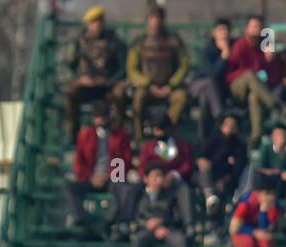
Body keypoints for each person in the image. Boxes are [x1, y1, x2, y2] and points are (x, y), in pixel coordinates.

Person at [63, 6, 127, 143]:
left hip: (107, 85)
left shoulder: (114, 42)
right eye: (93, 23)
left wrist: (108, 81)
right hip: (86, 86)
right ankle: (72, 133)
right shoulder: (79, 42)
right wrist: (80, 79)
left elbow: (122, 68)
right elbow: (70, 65)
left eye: (99, 22)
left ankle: (118, 136)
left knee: (120, 94)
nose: (96, 26)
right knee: (71, 93)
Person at [66, 105, 133, 232]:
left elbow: (125, 161)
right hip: (90, 178)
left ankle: (109, 222)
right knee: (70, 187)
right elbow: (79, 161)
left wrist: (109, 176)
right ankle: (82, 220)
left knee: (123, 188)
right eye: (97, 117)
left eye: (102, 117)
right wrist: (90, 177)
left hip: (112, 178)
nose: (100, 120)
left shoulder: (120, 136)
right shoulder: (85, 135)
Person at [127, 5, 191, 135]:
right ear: (148, 20)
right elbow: (131, 68)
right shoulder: (140, 42)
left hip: (170, 87)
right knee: (138, 99)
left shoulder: (174, 40)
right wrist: (147, 84)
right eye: (152, 18)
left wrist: (172, 84)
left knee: (181, 98)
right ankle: (139, 139)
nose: (155, 22)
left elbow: (184, 64)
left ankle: (166, 133)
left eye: (158, 18)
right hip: (147, 87)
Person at [226, 15, 281, 147]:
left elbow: (271, 76)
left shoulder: (265, 47)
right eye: (253, 26)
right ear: (247, 28)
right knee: (250, 75)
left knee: (254, 97)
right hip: (237, 87)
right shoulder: (240, 46)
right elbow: (229, 71)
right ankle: (275, 105)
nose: (256, 30)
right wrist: (249, 74)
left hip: (257, 89)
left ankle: (256, 136)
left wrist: (270, 60)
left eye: (258, 27)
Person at [136, 114, 194, 230]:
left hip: (173, 181)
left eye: (163, 129)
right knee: (133, 189)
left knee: (185, 190)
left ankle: (188, 225)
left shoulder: (182, 146)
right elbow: (141, 167)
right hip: (152, 181)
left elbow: (188, 164)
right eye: (157, 129)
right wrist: (151, 180)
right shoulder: (148, 147)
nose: (160, 133)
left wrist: (174, 174)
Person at [197, 112, 249, 237]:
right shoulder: (212, 140)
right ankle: (210, 195)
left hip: (227, 181)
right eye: (227, 124)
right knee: (204, 170)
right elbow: (201, 157)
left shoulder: (240, 146)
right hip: (206, 179)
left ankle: (216, 230)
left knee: (220, 197)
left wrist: (225, 180)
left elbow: (238, 169)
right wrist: (201, 160)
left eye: (233, 125)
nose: (229, 127)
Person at [130, 166, 190, 247]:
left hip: (166, 230)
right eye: (155, 176)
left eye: (161, 176)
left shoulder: (170, 196)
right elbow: (134, 215)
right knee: (137, 240)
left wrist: (161, 222)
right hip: (145, 230)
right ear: (146, 179)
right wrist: (146, 224)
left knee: (180, 241)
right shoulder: (139, 195)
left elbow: (177, 216)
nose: (158, 179)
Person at [190, 19, 235, 141]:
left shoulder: (235, 48)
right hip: (198, 85)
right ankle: (221, 117)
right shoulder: (207, 50)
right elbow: (212, 74)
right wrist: (224, 56)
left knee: (206, 100)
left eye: (225, 30)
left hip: (215, 91)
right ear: (214, 33)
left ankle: (204, 138)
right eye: (220, 30)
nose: (223, 34)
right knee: (209, 84)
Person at [229, 178, 280, 247]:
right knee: (248, 243)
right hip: (242, 235)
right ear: (258, 193)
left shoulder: (270, 204)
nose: (270, 196)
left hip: (259, 237)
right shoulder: (245, 203)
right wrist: (254, 232)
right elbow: (234, 228)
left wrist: (263, 212)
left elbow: (267, 230)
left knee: (265, 242)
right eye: (267, 193)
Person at [252, 124, 286, 225]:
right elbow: (260, 167)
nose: (280, 137)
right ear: (273, 136)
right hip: (271, 181)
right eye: (277, 134)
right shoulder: (266, 148)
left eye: (282, 135)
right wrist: (277, 173)